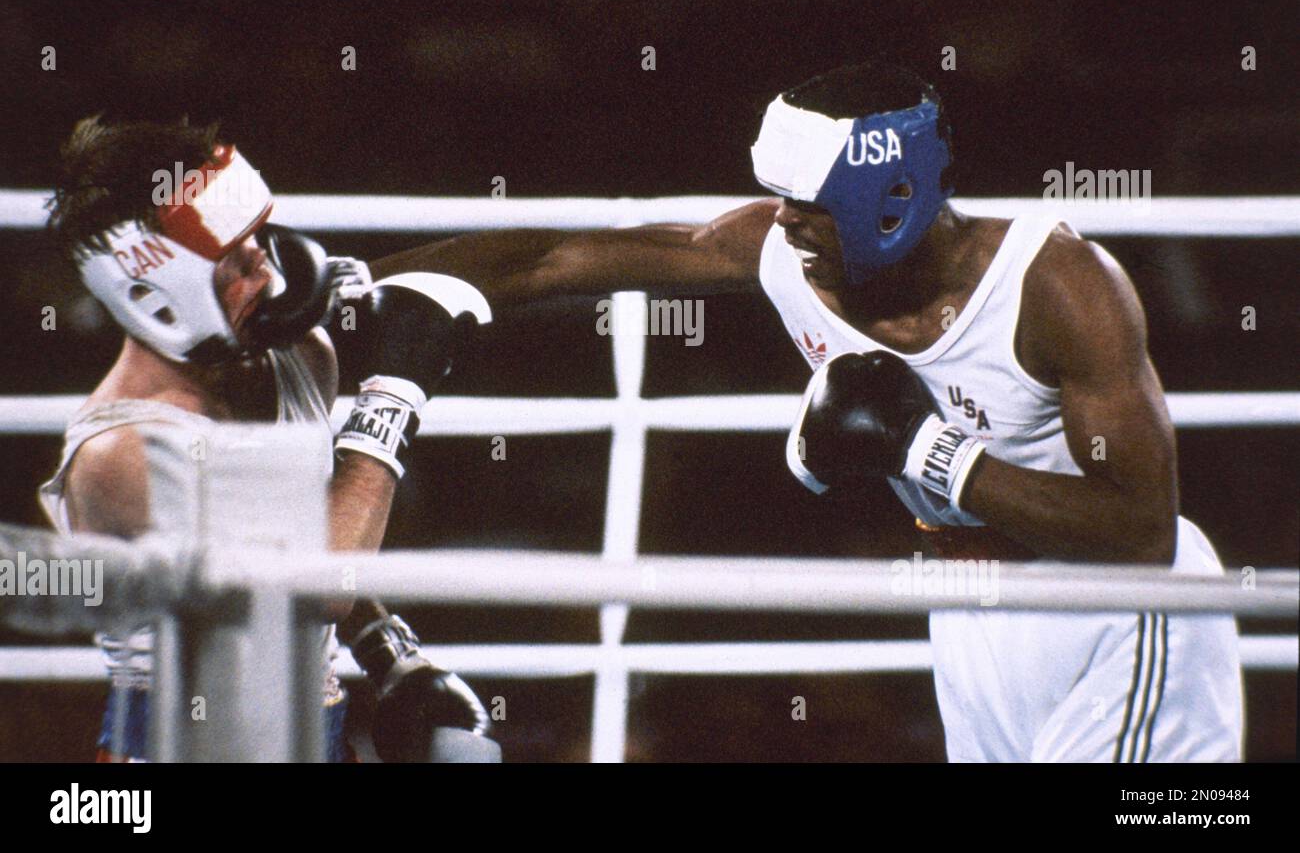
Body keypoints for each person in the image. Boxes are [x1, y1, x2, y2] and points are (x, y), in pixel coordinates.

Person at [365, 61, 1244, 762]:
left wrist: (932, 455)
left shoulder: (1056, 286)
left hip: (1121, 609)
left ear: (890, 201)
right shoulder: (787, 253)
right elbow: (561, 256)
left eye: (809, 205)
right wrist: (367, 286)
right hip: (973, 602)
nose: (784, 223)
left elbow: (1139, 533)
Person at [39, 117, 497, 762]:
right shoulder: (127, 450)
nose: (269, 268)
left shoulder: (286, 358)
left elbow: (294, 546)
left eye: (259, 239)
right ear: (154, 290)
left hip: (313, 729)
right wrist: (393, 398)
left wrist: (387, 649)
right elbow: (318, 587)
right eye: (236, 256)